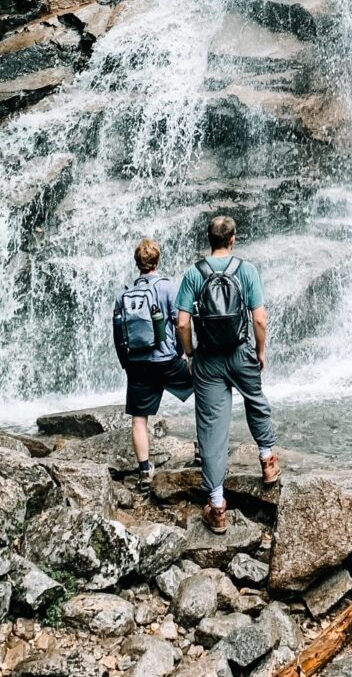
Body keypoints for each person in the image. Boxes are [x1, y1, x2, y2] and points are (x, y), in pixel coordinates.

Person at [176, 214, 279, 532]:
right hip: (240, 352)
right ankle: (267, 460)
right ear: (233, 239)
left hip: (208, 359)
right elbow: (259, 319)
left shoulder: (194, 274)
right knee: (255, 400)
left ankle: (218, 506)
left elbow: (182, 322)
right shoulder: (246, 271)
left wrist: (191, 353)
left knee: (211, 426)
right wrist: (259, 352)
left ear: (210, 239)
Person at [113, 237, 194, 487]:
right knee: (206, 388)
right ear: (157, 260)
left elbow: (118, 335)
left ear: (137, 263)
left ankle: (144, 472)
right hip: (166, 359)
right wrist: (182, 353)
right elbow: (180, 324)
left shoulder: (124, 293)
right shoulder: (168, 288)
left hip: (138, 364)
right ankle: (204, 449)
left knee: (139, 418)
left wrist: (127, 364)